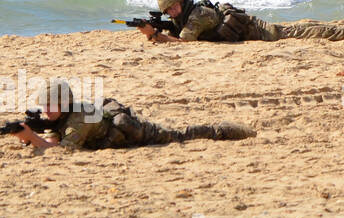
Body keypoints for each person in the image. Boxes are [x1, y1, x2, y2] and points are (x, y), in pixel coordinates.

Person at [6, 79, 255, 151]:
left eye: (50, 106)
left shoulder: (79, 119)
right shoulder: (63, 116)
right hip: (111, 130)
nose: (46, 111)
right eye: (45, 106)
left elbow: (64, 150)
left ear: (64, 103)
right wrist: (29, 135)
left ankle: (223, 131)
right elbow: (53, 139)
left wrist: (30, 137)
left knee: (180, 135)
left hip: (136, 135)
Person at [141, 0, 344, 43]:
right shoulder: (184, 15)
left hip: (254, 29)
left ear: (181, 1)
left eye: (172, 8)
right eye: (168, 11)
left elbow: (183, 42)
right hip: (242, 30)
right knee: (295, 29)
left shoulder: (197, 16)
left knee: (293, 32)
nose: (171, 13)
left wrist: (155, 36)